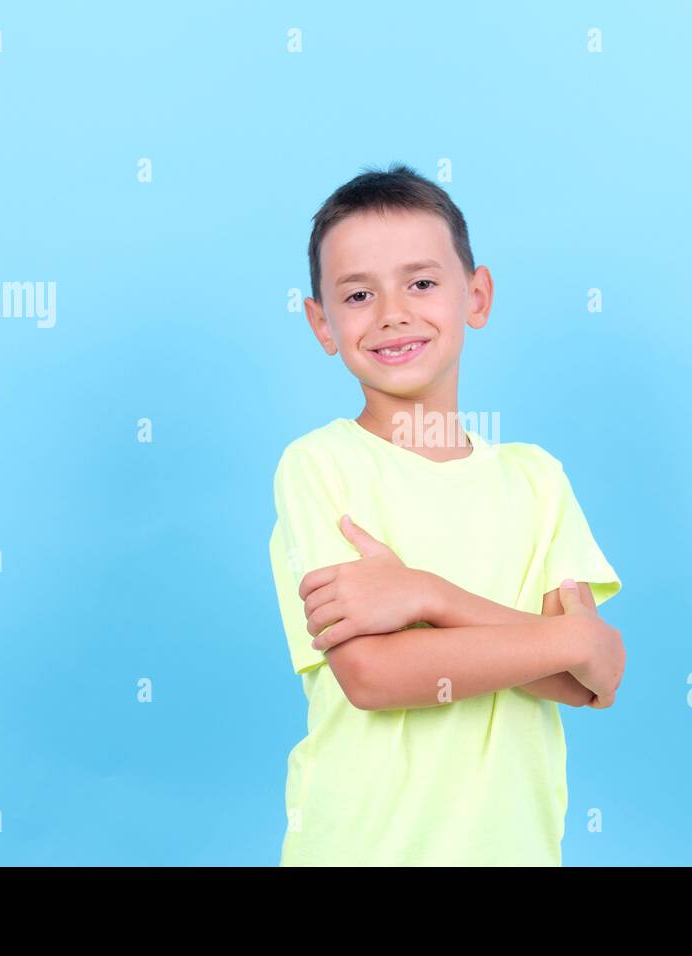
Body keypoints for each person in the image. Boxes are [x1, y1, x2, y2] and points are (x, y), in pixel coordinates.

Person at [268, 163, 626, 865]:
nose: (394, 313)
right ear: (322, 323)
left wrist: (425, 596)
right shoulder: (319, 466)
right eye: (360, 293)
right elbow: (373, 676)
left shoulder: (537, 481)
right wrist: (564, 641)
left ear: (478, 295)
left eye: (422, 282)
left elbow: (598, 677)